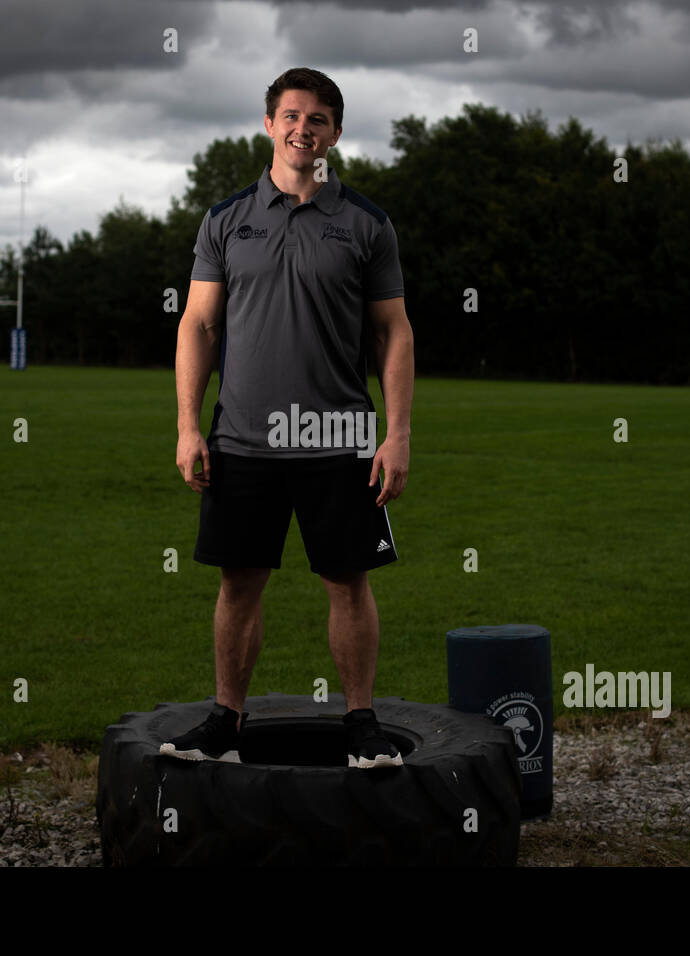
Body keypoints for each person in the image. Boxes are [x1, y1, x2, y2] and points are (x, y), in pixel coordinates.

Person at [163, 66, 415, 769]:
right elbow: (199, 326)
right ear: (270, 123)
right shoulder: (225, 219)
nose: (305, 129)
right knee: (239, 583)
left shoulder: (366, 223)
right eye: (292, 116)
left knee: (347, 582)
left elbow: (393, 332)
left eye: (320, 119)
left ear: (336, 132)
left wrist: (395, 436)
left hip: (339, 440)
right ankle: (225, 724)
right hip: (242, 439)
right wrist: (188, 426)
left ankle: (361, 725)